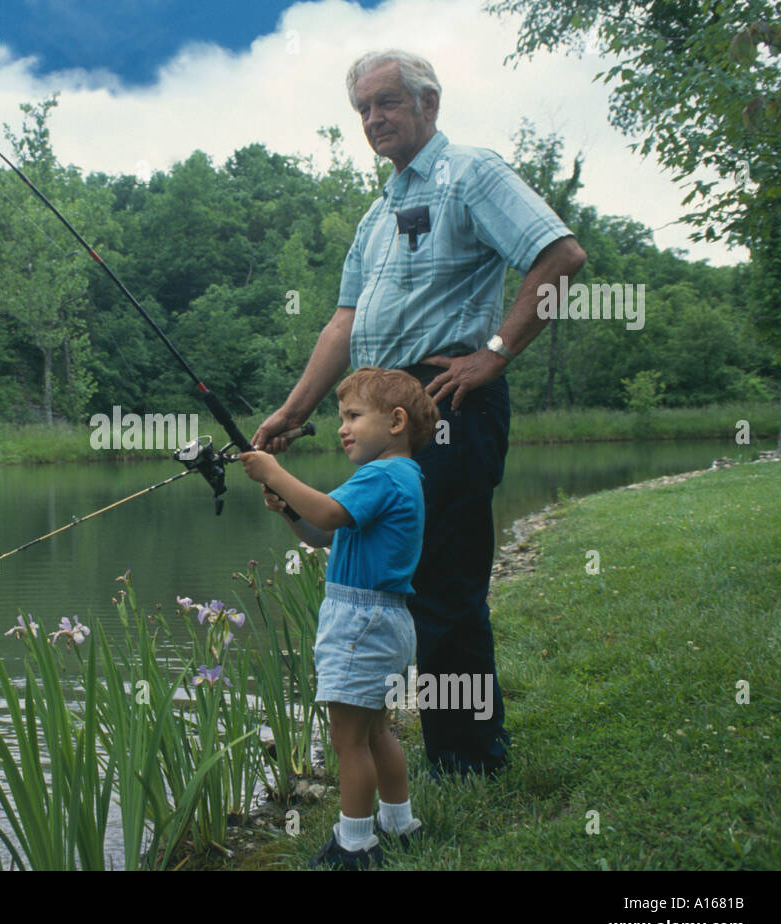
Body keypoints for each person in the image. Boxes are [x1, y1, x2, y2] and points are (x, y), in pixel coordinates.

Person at [252, 50, 587, 779]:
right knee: (398, 579)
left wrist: (494, 351)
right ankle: (437, 756)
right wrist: (293, 409)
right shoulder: (376, 214)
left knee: (446, 584)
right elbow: (343, 321)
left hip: (449, 402)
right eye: (363, 109)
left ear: (428, 104)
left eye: (387, 103)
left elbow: (561, 255)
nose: (374, 119)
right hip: (383, 414)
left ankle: (468, 761)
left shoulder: (472, 173)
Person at [242, 366, 438, 869]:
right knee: (377, 732)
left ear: (396, 421)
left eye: (353, 416)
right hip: (388, 620)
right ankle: (400, 825)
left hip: (360, 622)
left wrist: (273, 472)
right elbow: (323, 534)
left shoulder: (379, 474)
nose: (342, 427)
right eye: (341, 417)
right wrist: (287, 509)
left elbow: (328, 513)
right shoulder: (404, 477)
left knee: (347, 740)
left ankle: (355, 847)